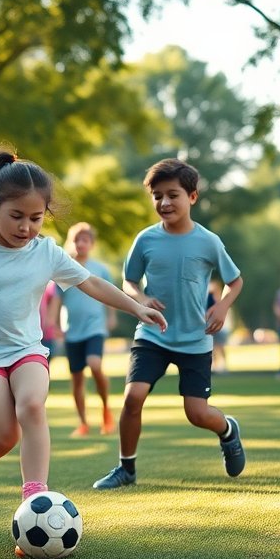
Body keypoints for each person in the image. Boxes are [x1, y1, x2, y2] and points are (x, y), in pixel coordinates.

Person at [0, 148, 165, 553]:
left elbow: (90, 284)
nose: (26, 227)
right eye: (16, 217)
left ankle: (33, 503)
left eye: (36, 218)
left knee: (32, 408)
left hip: (26, 350)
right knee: (4, 435)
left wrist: (136, 306)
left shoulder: (46, 252)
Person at [92, 157, 244, 491]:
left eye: (172, 194)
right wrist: (140, 299)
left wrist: (221, 308)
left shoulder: (208, 241)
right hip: (152, 334)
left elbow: (235, 281)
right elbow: (129, 281)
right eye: (157, 195)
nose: (164, 202)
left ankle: (228, 430)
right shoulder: (145, 239)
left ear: (192, 197)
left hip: (195, 339)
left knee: (196, 413)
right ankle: (126, 469)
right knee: (133, 398)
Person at [57, 222, 117, 437]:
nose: (80, 244)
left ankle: (106, 409)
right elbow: (56, 300)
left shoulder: (100, 269)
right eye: (76, 240)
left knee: (94, 363)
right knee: (77, 379)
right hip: (72, 331)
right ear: (70, 243)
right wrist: (55, 325)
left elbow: (109, 294)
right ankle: (83, 422)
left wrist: (111, 316)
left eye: (85, 240)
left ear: (91, 244)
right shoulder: (64, 270)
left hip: (95, 328)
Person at [207, 279, 232, 374]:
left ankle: (224, 366)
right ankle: (215, 366)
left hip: (221, 327)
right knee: (212, 348)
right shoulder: (209, 300)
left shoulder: (219, 299)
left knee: (220, 346)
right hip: (211, 325)